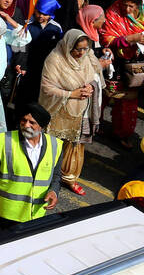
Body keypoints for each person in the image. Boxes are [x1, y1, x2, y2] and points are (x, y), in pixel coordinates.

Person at [38, 29, 105, 195]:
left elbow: (94, 76)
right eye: (78, 49)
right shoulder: (55, 59)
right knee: (52, 147)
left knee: (75, 146)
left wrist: (90, 87)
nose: (81, 53)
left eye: (84, 48)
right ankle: (44, 178)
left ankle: (69, 177)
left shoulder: (87, 56)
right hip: (58, 111)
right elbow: (47, 88)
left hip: (81, 110)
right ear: (68, 46)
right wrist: (71, 94)